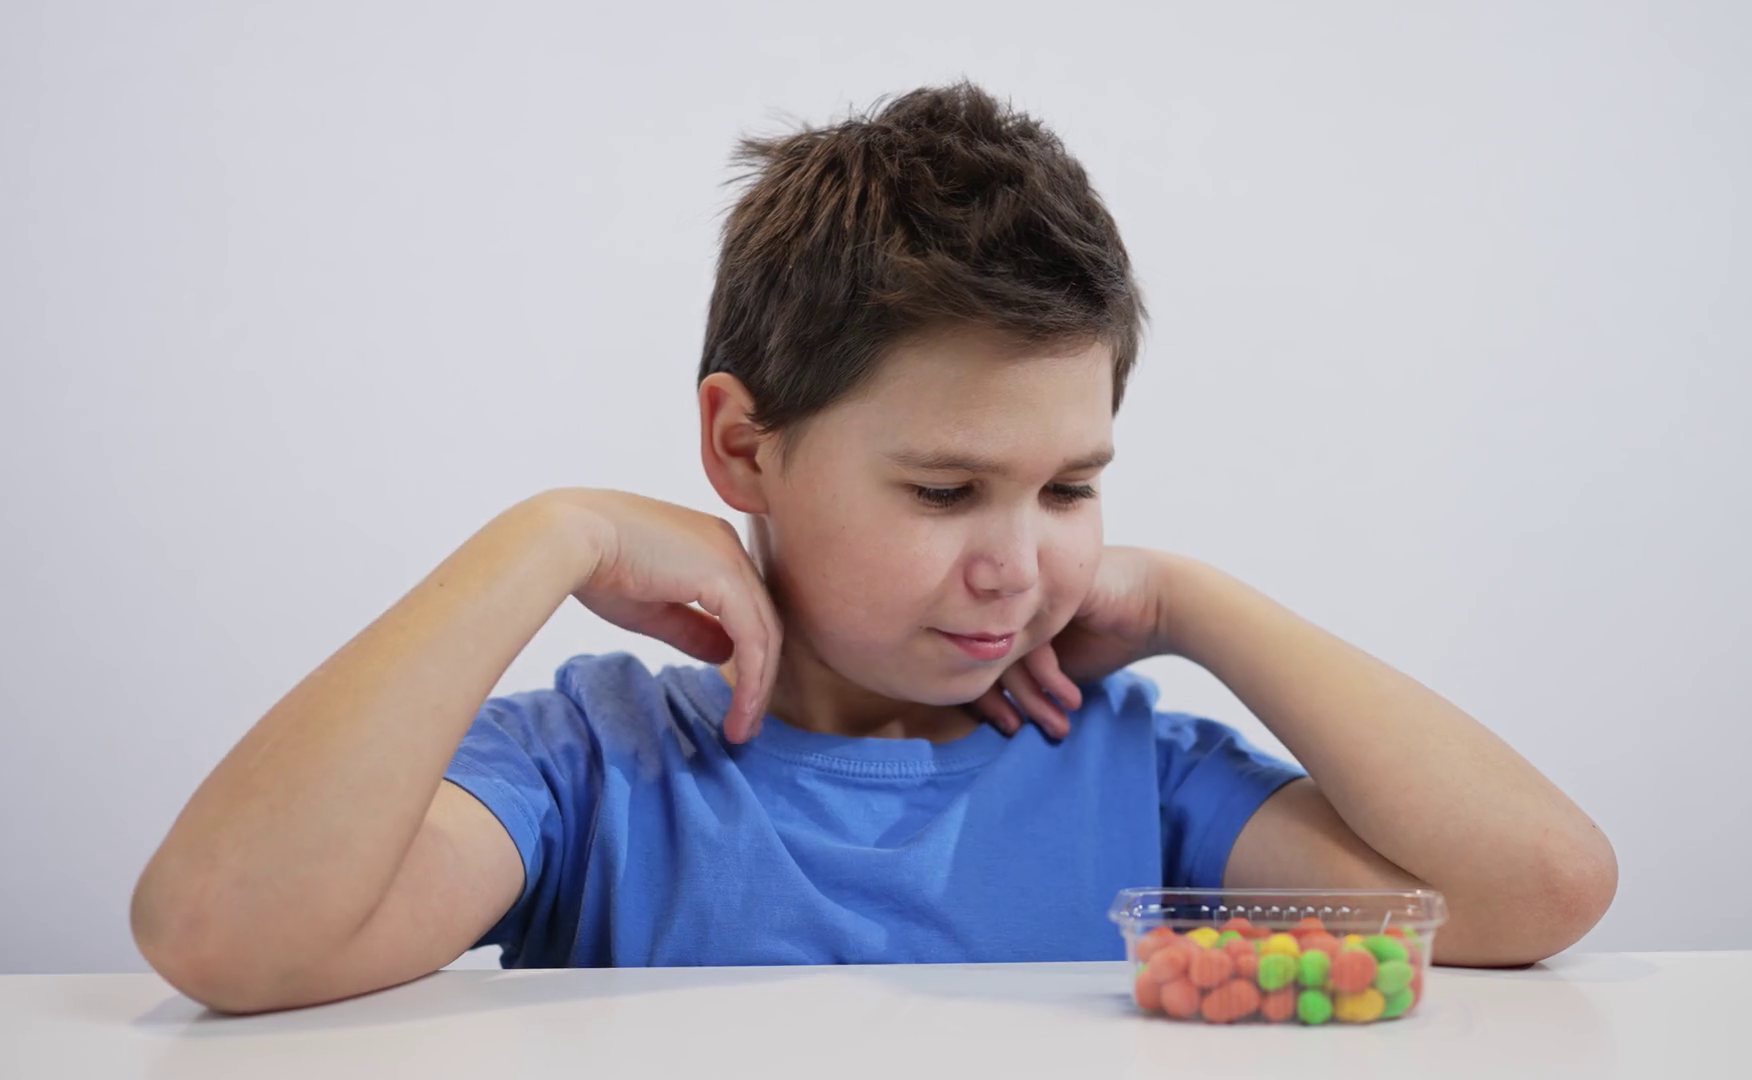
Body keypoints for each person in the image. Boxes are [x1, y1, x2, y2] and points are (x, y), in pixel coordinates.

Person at [131, 82, 1616, 1014]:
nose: (1017, 567)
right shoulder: (599, 771)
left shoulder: (1124, 772)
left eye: (1069, 489)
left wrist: (1190, 602)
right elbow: (222, 935)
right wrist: (547, 538)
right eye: (945, 491)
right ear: (742, 449)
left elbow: (1539, 890)